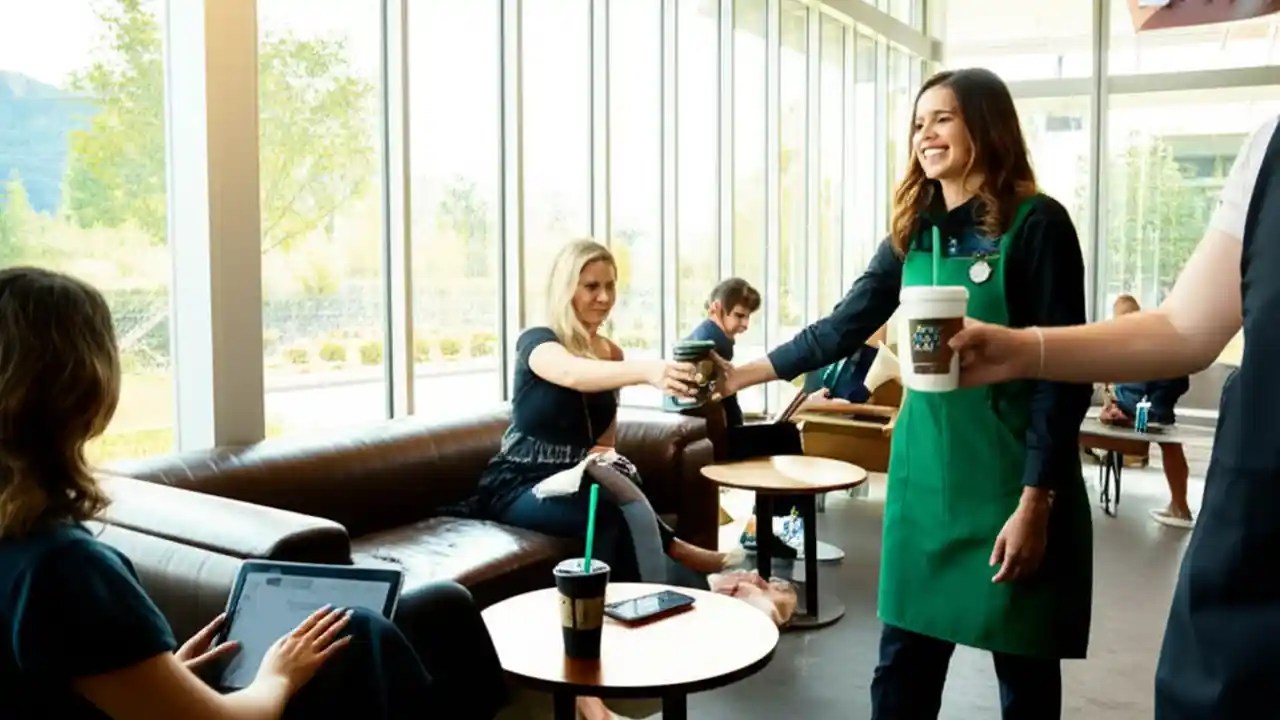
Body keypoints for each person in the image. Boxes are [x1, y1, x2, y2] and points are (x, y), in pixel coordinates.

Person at [716, 68, 1094, 719]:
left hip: (1013, 482)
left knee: (1026, 676)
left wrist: (1037, 502)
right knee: (901, 673)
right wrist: (742, 375)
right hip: (924, 486)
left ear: (987, 123)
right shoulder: (913, 235)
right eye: (919, 123)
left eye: (942, 118)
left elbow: (1064, 378)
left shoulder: (1038, 225)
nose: (926, 134)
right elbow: (841, 326)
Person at [0, 266, 508, 720]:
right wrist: (276, 677)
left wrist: (164, 674)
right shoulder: (65, 568)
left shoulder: (28, 551)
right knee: (359, 633)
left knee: (440, 604)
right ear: (85, 388)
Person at [950, 113, 1280, 719]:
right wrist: (1023, 349)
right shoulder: (1269, 145)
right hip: (1257, 555)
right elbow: (1185, 326)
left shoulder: (1040, 222)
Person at [1098, 294, 1194, 528]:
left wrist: (1118, 409)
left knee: (1163, 441)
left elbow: (1134, 390)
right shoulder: (1157, 335)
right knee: (1171, 445)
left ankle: (1180, 508)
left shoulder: (1137, 343)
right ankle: (1180, 505)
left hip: (1147, 412)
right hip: (1160, 406)